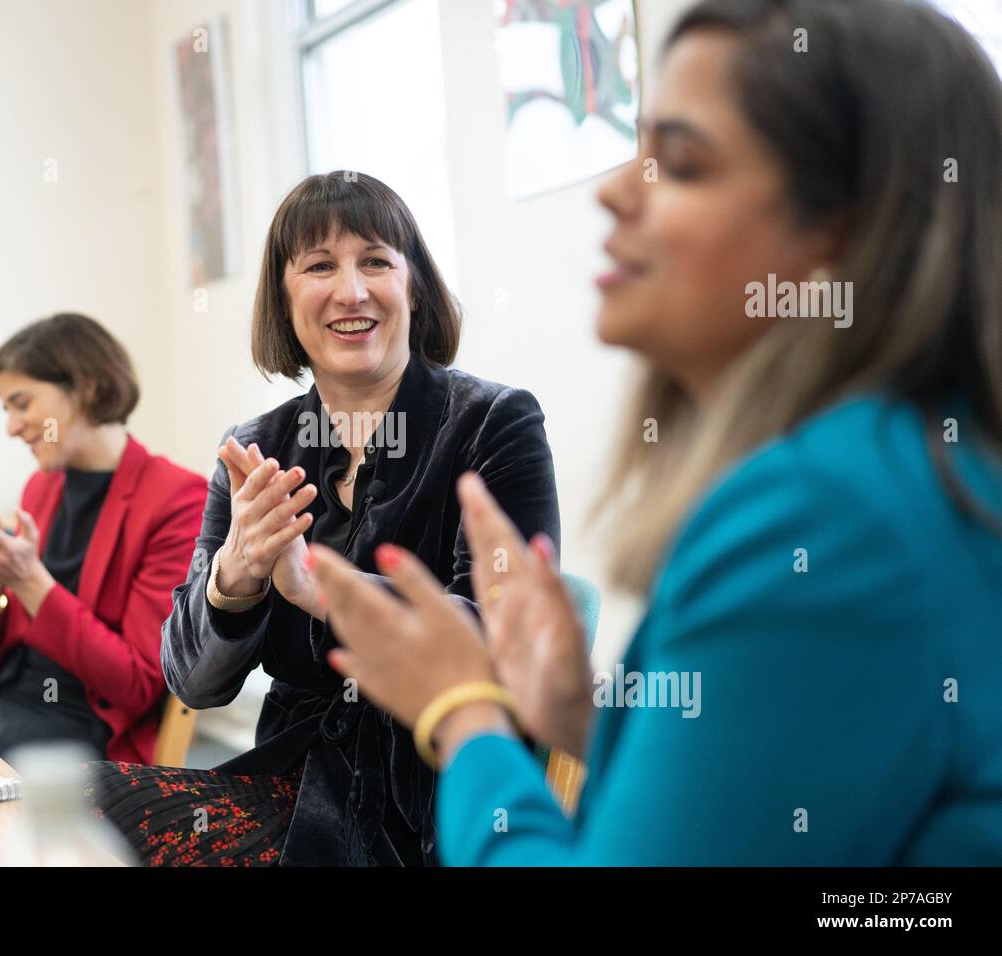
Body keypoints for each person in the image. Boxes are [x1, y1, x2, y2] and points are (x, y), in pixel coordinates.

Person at [305, 0, 1002, 865]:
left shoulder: (821, 514)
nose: (610, 187)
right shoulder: (906, 470)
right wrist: (582, 721)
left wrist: (463, 712)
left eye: (680, 161)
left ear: (844, 230)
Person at [87, 172, 561, 866]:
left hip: (431, 803)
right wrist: (234, 580)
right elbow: (194, 683)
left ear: (414, 286)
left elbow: (505, 631)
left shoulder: (494, 421)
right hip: (293, 779)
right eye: (319, 266)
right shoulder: (256, 447)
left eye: (376, 261)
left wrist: (321, 590)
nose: (352, 290)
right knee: (65, 800)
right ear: (284, 299)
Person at [0, 313, 206, 762]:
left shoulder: (178, 497)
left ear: (86, 387)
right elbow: (13, 645)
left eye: (21, 402)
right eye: (6, 409)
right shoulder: (42, 486)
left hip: (86, 733)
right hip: (12, 707)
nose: (12, 427)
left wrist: (31, 581)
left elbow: (139, 684)